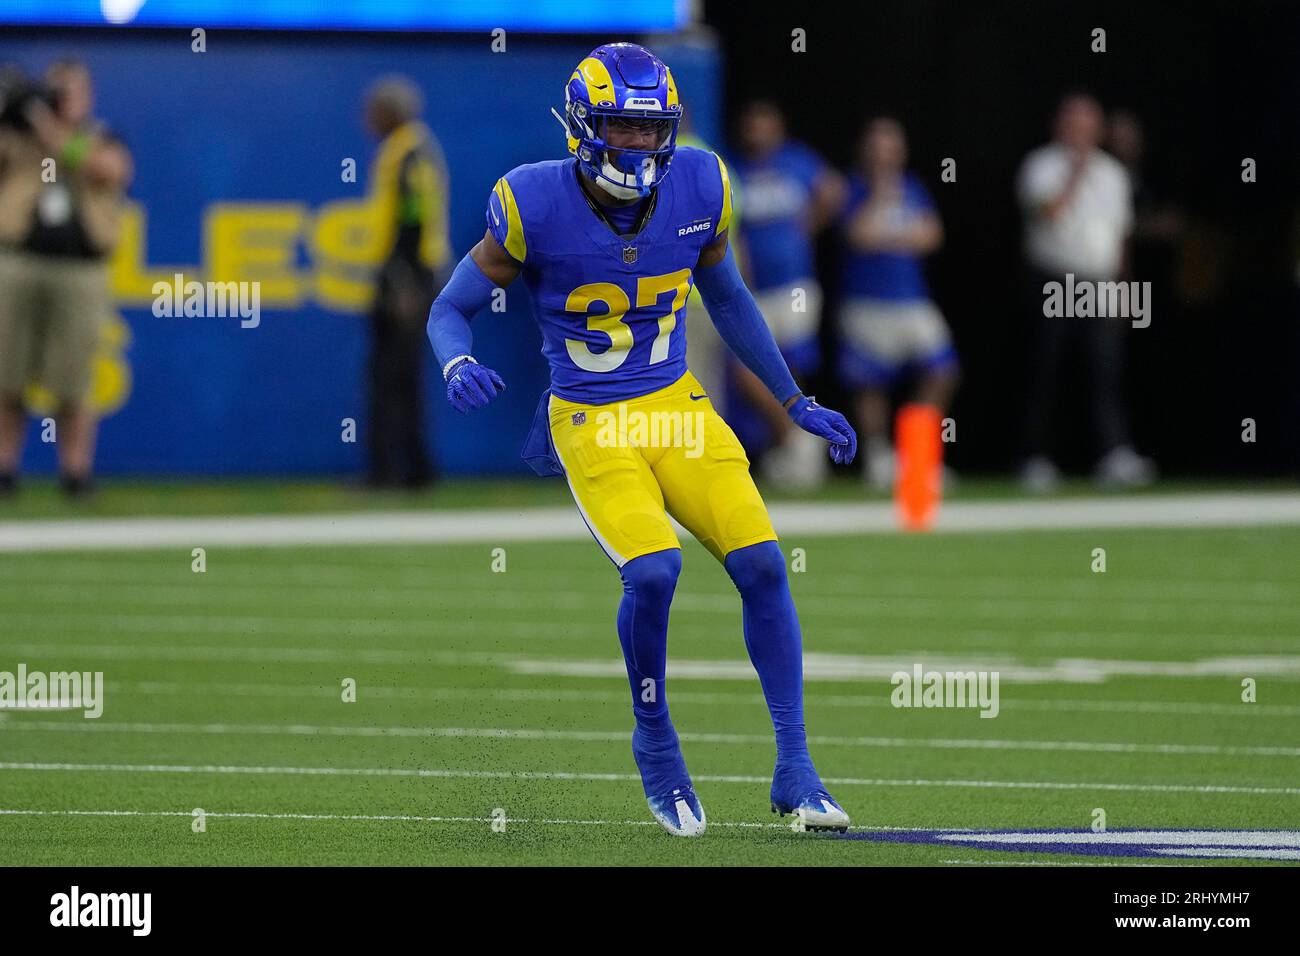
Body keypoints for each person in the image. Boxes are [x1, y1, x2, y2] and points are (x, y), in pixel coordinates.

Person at [425, 43, 856, 836]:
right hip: (591, 417)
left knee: (763, 562)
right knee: (654, 574)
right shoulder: (530, 201)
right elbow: (449, 306)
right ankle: (654, 740)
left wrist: (792, 399)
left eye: (649, 127)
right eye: (621, 126)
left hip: (676, 404)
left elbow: (727, 299)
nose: (637, 143)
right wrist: (455, 361)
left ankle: (796, 766)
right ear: (583, 126)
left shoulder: (701, 180)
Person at [0, 60, 132, 497]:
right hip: (20, 261)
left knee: (73, 377)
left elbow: (107, 170)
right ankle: (5, 468)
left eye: (72, 93)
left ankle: (75, 472)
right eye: (55, 93)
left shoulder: (102, 138)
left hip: (80, 269)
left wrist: (49, 127)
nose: (62, 102)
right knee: (7, 372)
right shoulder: (18, 139)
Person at [1016, 93, 1155, 491]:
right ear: (1059, 125)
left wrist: (1126, 292)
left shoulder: (1113, 174)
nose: (1080, 130)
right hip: (1054, 279)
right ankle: (1035, 457)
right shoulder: (1040, 166)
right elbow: (1050, 213)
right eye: (1072, 121)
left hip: (1100, 283)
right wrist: (1075, 174)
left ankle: (1113, 454)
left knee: (1105, 372)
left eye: (1087, 122)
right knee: (1045, 371)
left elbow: (1121, 238)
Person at [729, 101, 845, 488]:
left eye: (764, 125)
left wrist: (809, 226)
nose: (757, 132)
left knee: (792, 367)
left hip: (795, 285)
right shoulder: (736, 169)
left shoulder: (796, 161)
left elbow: (833, 189)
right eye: (751, 125)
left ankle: (800, 449)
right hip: (754, 288)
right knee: (747, 371)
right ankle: (794, 439)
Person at [838, 117, 957, 490]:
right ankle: (879, 456)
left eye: (890, 147)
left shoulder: (913, 188)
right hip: (865, 300)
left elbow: (932, 236)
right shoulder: (852, 188)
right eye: (876, 147)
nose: (883, 155)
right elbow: (857, 235)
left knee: (942, 370)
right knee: (870, 382)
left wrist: (888, 236)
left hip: (911, 299)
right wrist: (881, 198)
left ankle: (917, 457)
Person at [363, 76, 450, 488]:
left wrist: (403, 281)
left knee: (396, 375)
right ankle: (403, 469)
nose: (367, 119)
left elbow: (414, 216)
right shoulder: (405, 148)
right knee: (392, 375)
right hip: (405, 272)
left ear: (390, 112)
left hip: (410, 274)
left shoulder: (410, 151)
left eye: (374, 110)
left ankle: (404, 471)